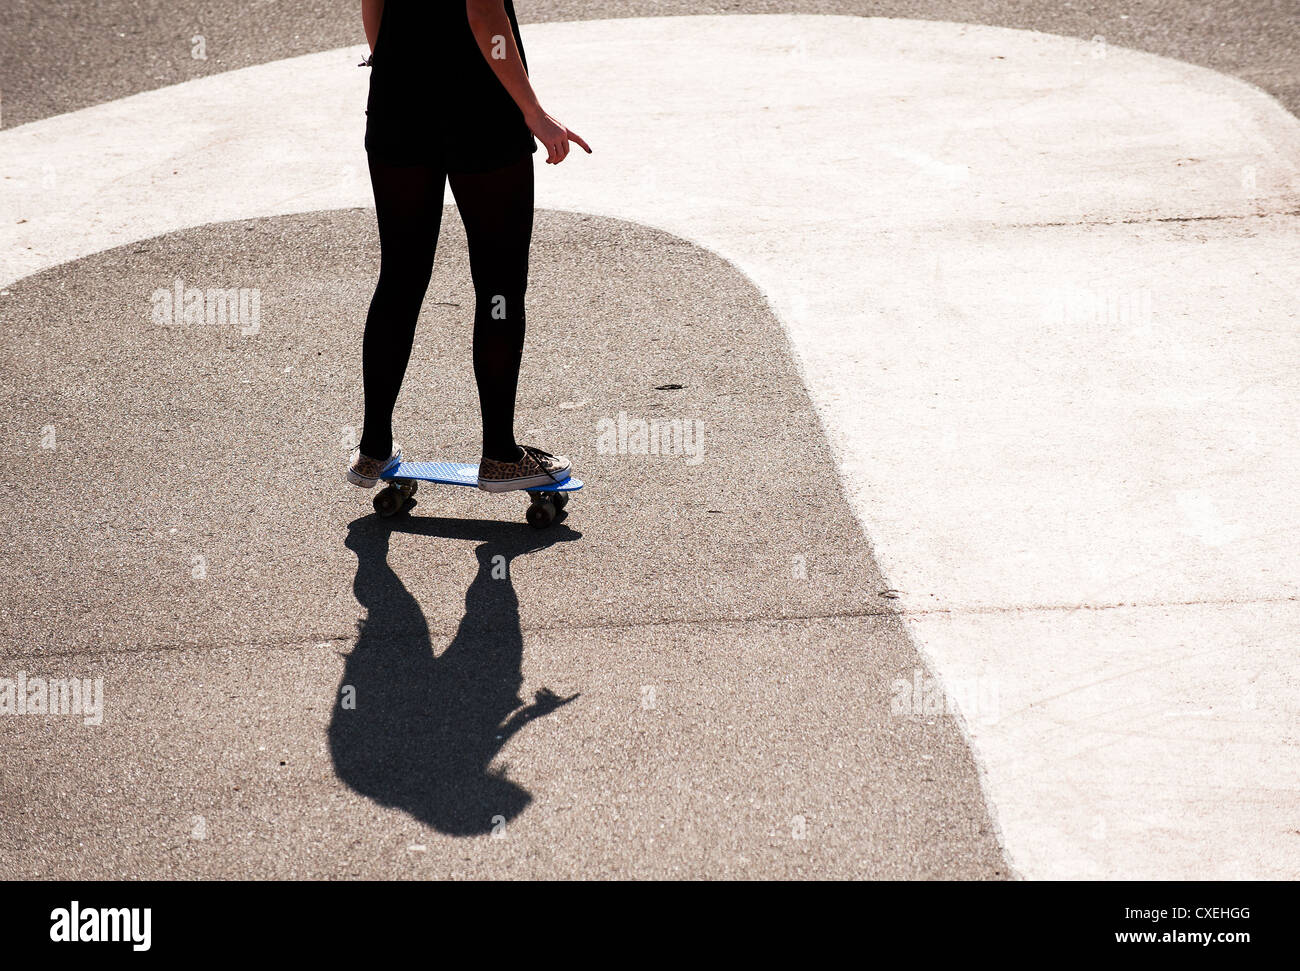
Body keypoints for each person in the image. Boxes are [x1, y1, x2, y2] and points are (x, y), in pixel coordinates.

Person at [347, 0, 592, 493]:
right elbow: (483, 12)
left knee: (400, 276)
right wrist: (534, 112)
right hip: (479, 111)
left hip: (398, 104)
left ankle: (373, 447)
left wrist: (397, 61)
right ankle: (500, 454)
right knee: (499, 284)